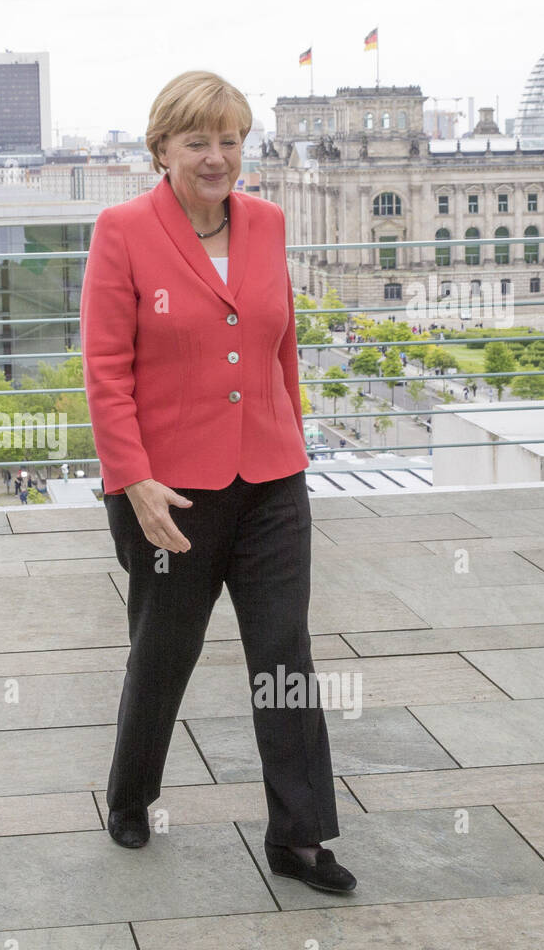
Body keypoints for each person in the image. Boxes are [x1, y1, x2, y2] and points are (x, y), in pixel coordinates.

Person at [80, 70, 356, 893]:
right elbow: (104, 369)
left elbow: (281, 347)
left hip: (272, 479)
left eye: (229, 140)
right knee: (164, 651)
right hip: (167, 494)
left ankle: (299, 837)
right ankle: (132, 795)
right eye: (197, 141)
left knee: (284, 653)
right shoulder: (123, 230)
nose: (216, 157)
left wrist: (294, 441)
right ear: (161, 147)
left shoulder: (267, 224)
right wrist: (132, 480)